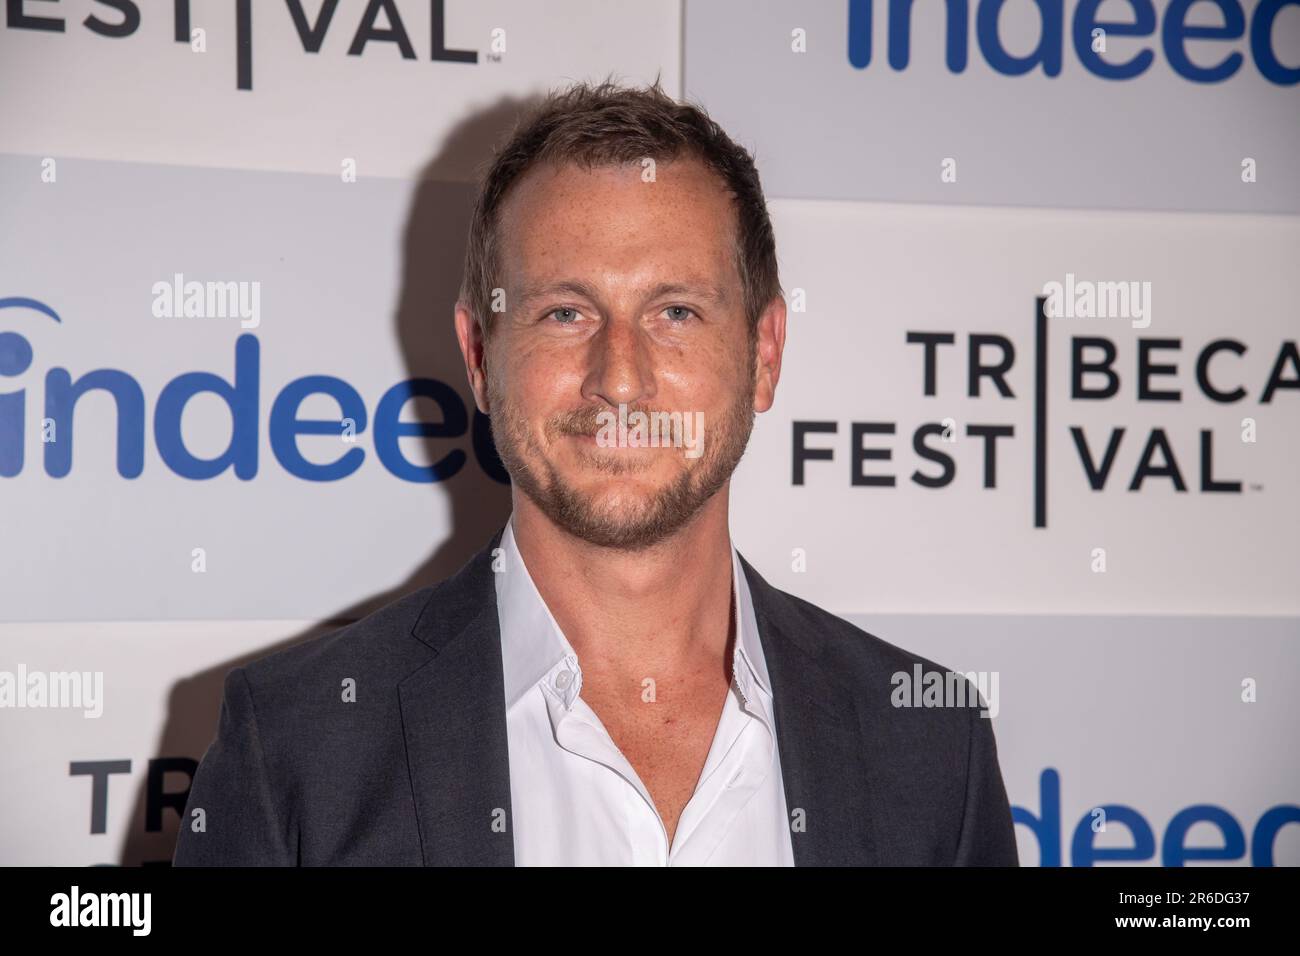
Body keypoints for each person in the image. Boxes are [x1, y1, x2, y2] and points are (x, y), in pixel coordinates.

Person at [173, 80, 1018, 867]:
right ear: (479, 356)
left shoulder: (932, 749)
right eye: (565, 312)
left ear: (764, 353)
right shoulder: (293, 752)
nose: (619, 377)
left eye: (676, 311)